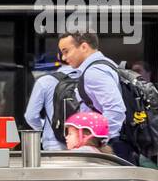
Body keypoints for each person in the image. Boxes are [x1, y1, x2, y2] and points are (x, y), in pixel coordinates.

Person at [56, 28, 130, 161]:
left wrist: (99, 143)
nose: (64, 58)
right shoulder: (105, 65)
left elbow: (115, 109)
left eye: (66, 51)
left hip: (110, 147)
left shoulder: (94, 72)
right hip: (115, 144)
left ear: (84, 47)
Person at [24, 63, 77, 151]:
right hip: (83, 142)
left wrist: (43, 129)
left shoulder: (45, 81)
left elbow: (31, 116)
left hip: (54, 143)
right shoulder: (89, 78)